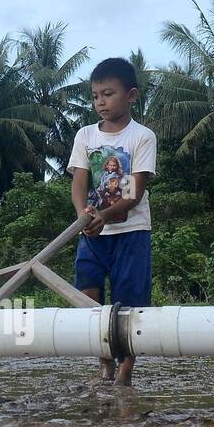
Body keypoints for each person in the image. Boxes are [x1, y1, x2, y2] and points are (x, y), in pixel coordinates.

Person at [69, 57, 157, 386]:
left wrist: (105, 214)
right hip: (92, 231)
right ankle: (104, 361)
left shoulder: (142, 137)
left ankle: (125, 371)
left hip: (131, 232)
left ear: (131, 95)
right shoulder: (86, 136)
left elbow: (134, 190)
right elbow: (79, 182)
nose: (101, 102)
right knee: (88, 296)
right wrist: (83, 213)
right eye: (95, 96)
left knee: (129, 302)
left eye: (108, 93)